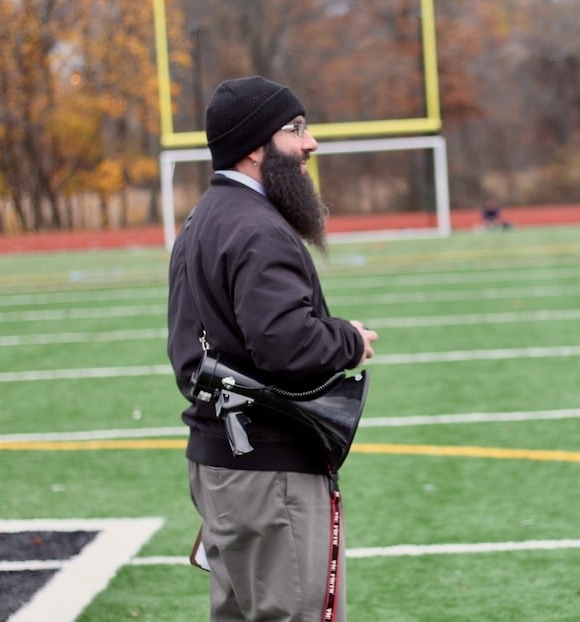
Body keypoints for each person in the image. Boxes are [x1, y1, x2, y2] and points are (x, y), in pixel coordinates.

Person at [167, 75, 378, 622]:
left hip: (222, 461)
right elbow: (286, 347)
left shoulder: (201, 220)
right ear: (255, 147)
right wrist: (348, 339)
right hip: (267, 471)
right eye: (295, 129)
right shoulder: (257, 228)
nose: (311, 144)